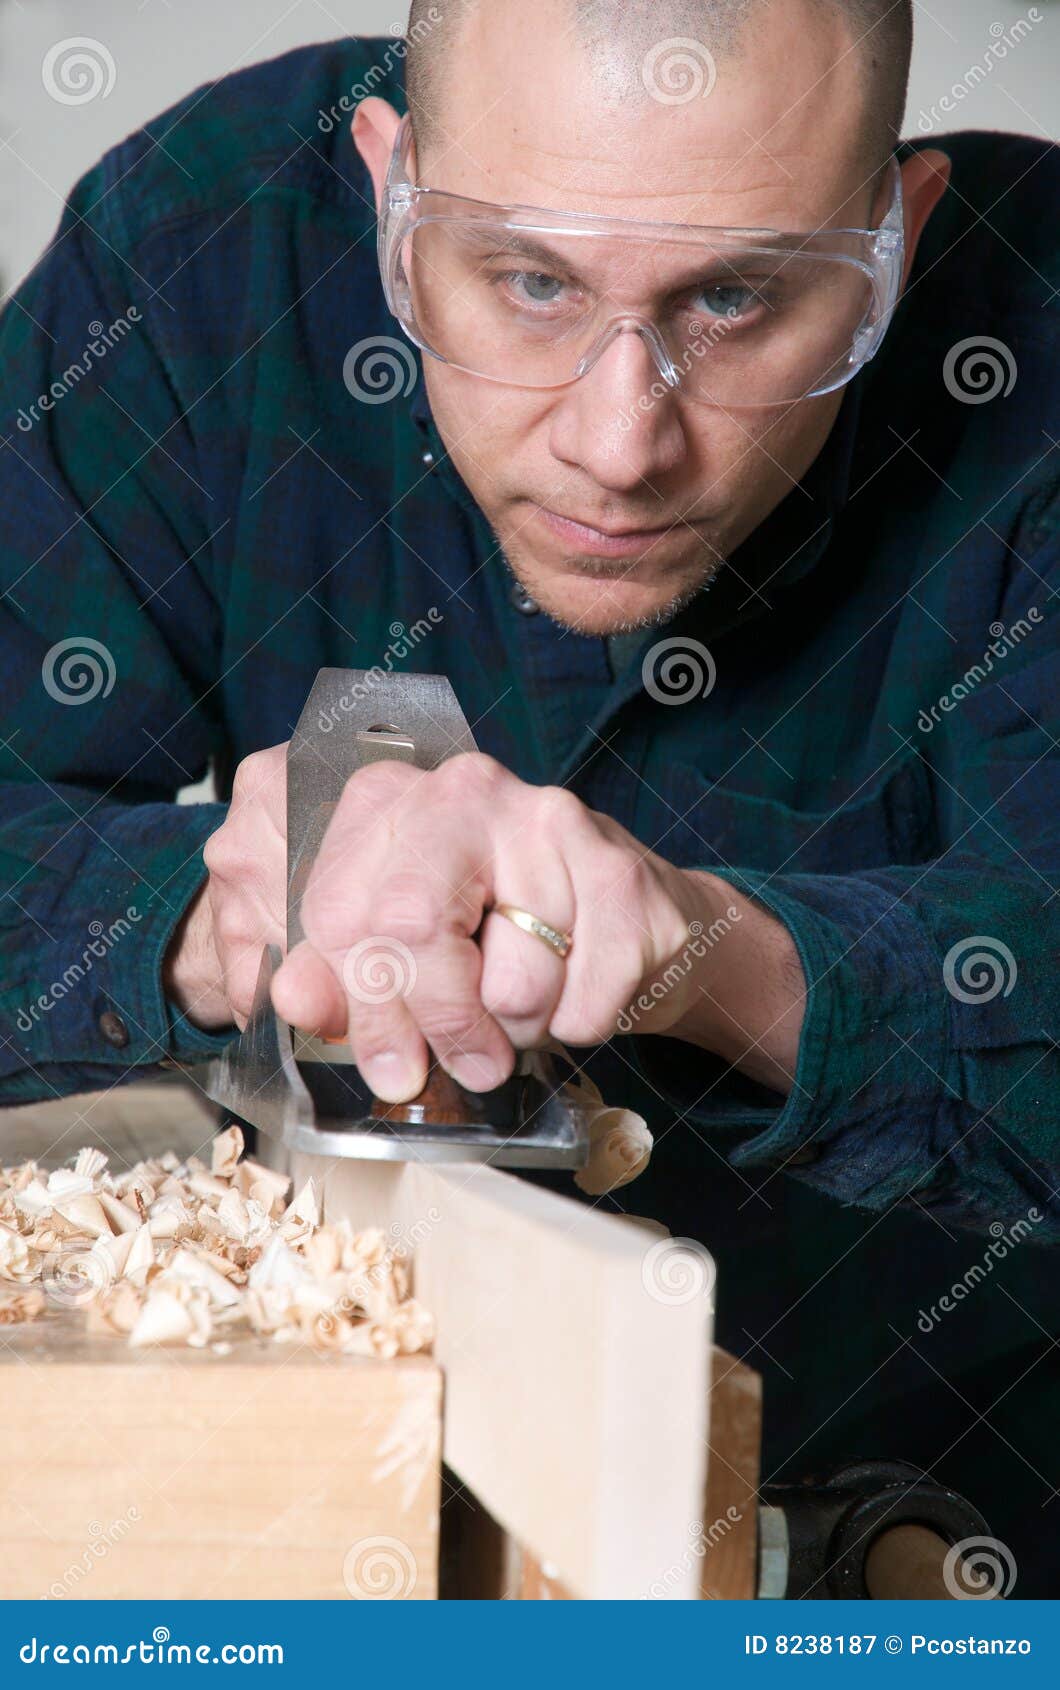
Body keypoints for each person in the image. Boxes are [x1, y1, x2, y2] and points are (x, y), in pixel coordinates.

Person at [1, 0, 1057, 1591]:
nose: (620, 444)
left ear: (894, 243)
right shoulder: (198, 254)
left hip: (956, 1541)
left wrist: (716, 954)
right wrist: (202, 921)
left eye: (738, 298)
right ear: (391, 196)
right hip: (332, 1544)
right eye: (533, 283)